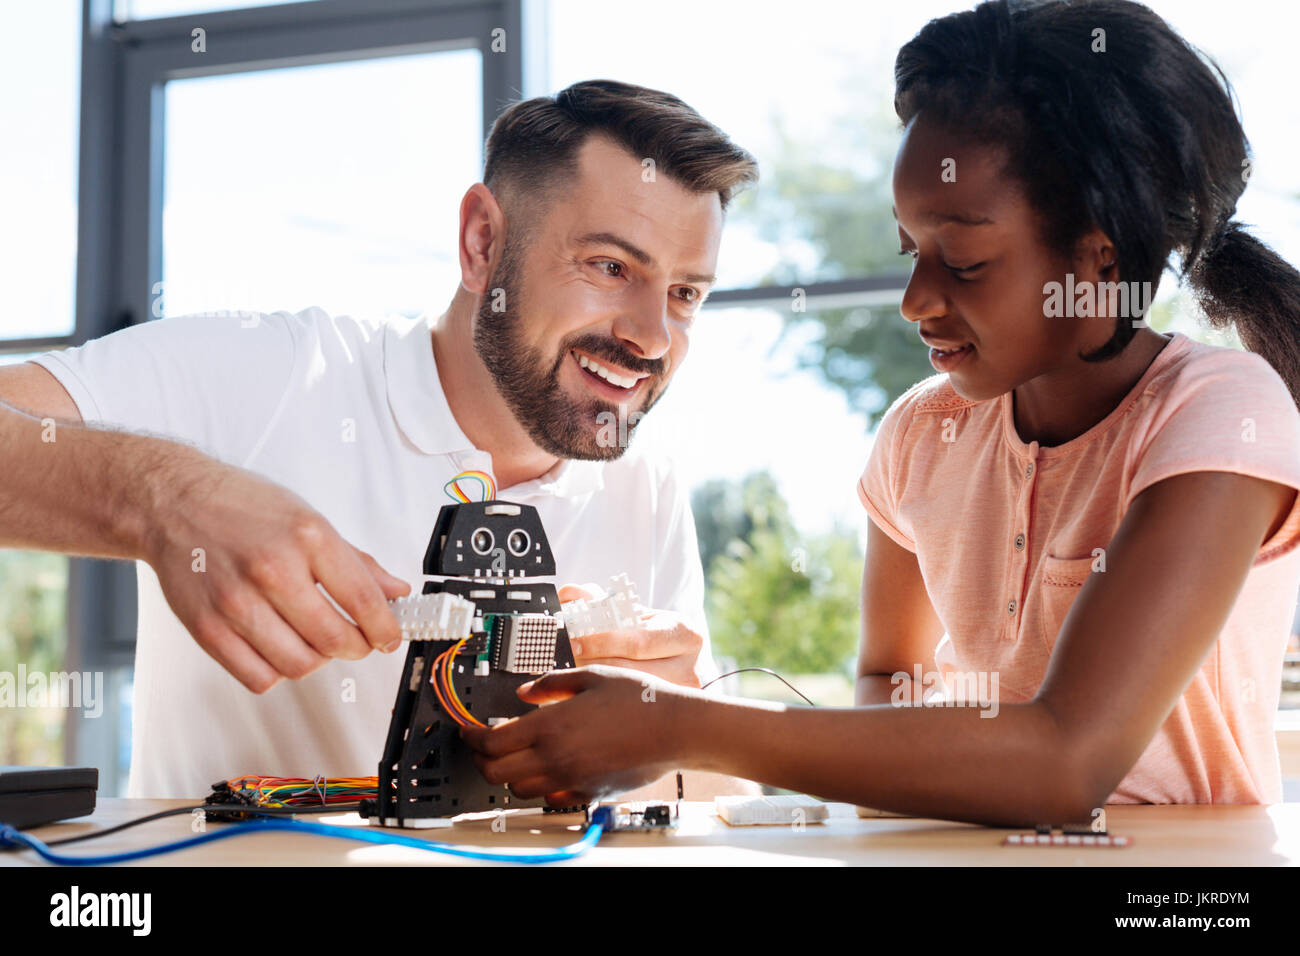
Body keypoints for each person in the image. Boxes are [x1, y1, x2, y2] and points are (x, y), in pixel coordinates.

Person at [463, 0, 1300, 825]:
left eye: (964, 262)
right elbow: (887, 684)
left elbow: (1065, 760)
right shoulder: (920, 437)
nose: (914, 300)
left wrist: (677, 725)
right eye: (910, 250)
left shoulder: (1221, 413)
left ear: (1098, 255)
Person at [0, 79, 758, 798]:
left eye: (686, 294)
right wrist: (164, 499)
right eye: (610, 265)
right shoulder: (264, 375)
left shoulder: (644, 484)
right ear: (482, 241)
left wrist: (688, 731)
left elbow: (708, 812)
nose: (652, 336)